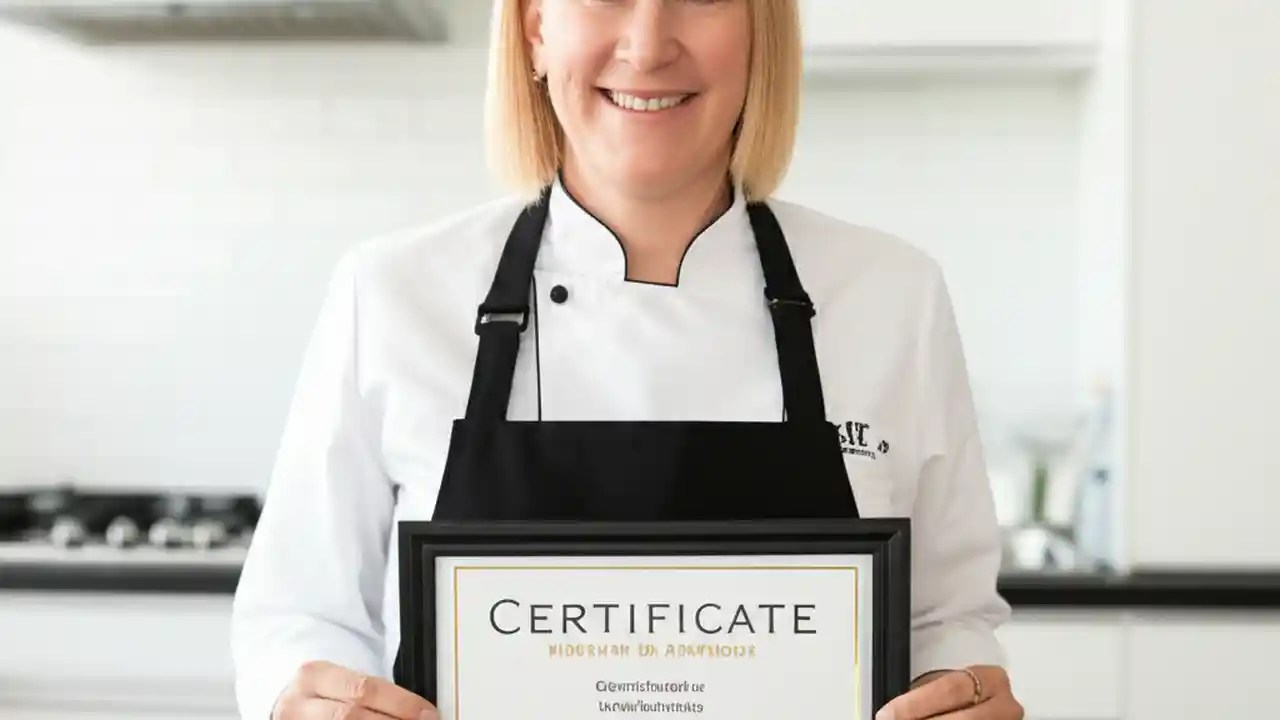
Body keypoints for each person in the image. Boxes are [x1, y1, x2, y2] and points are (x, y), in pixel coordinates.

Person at [230, 1, 1026, 719]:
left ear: (761, 33)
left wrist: (965, 690)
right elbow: (298, 615)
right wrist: (307, 701)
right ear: (536, 29)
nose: (647, 46)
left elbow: (946, 619)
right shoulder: (392, 292)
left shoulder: (893, 294)